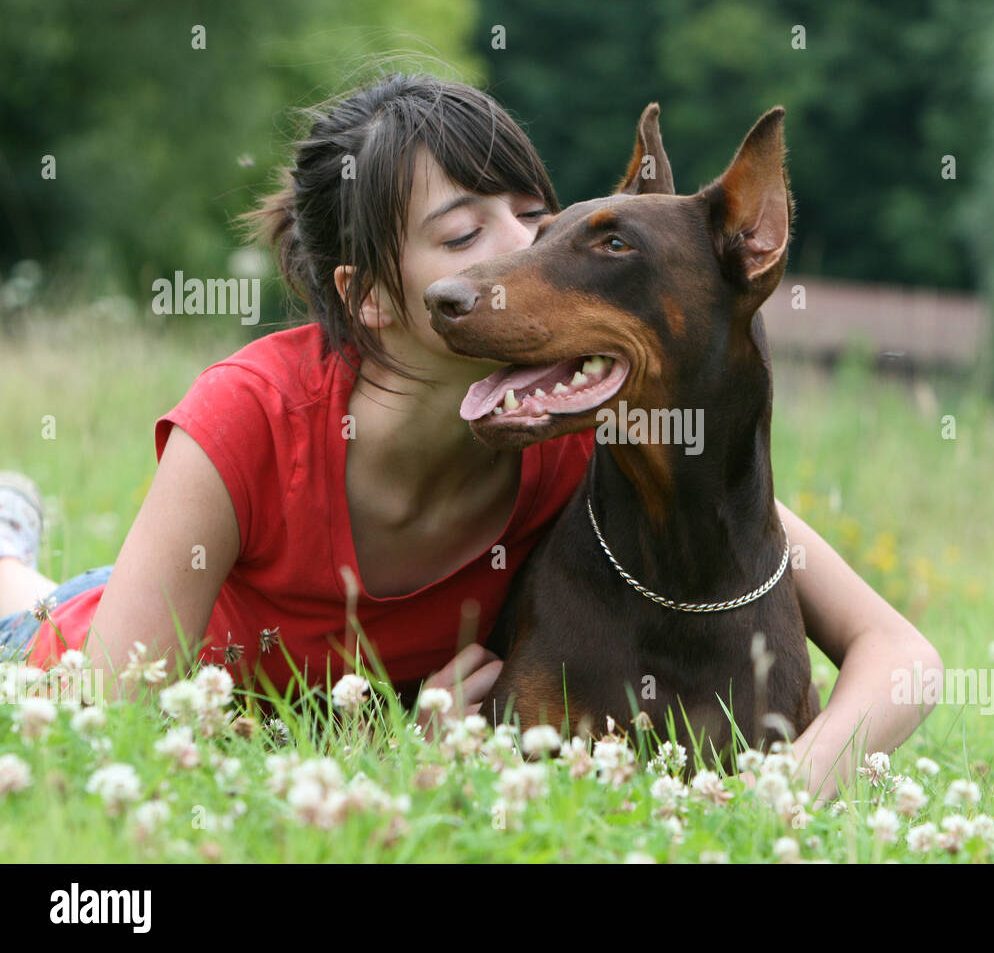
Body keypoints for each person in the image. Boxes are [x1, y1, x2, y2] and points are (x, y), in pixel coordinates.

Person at [0, 72, 941, 800]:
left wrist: (788, 793)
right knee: (32, 609)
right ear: (368, 296)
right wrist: (385, 749)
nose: (518, 255)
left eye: (535, 221)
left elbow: (901, 655)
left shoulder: (578, 427)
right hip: (94, 639)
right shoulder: (248, 418)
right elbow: (110, 731)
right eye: (461, 234)